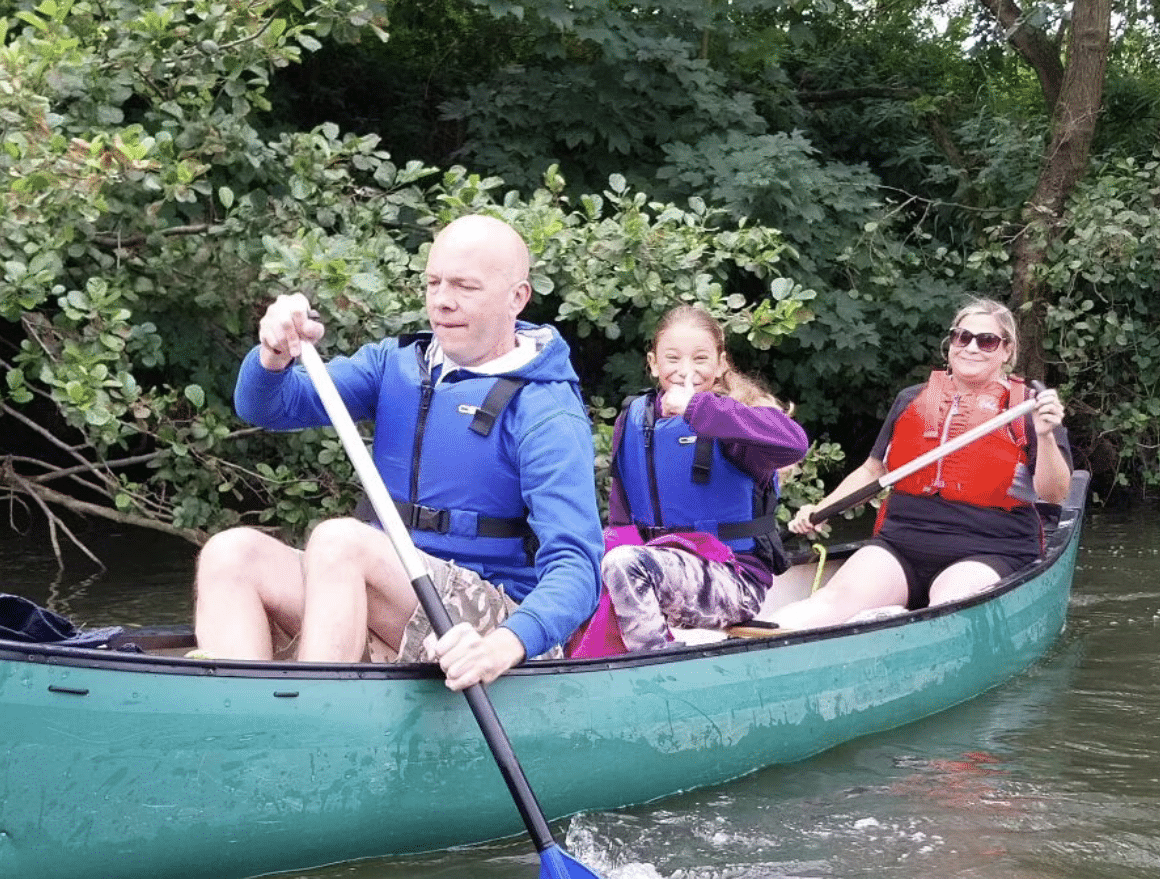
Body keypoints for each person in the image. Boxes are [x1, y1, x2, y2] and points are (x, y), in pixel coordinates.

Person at [193, 214, 604, 689]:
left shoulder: (546, 409)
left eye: (465, 286)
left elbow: (577, 569)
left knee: (340, 542)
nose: (442, 300)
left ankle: (314, 714)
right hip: (389, 591)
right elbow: (266, 406)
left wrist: (501, 647)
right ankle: (238, 711)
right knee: (231, 553)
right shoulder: (397, 364)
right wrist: (274, 352)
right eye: (433, 282)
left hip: (492, 624)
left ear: (517, 297)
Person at [773, 297, 1071, 633]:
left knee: (949, 608)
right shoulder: (911, 398)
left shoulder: (1028, 410)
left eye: (986, 341)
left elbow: (1055, 494)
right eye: (963, 337)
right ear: (951, 343)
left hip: (990, 548)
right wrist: (821, 509)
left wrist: (1045, 435)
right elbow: (873, 470)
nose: (971, 348)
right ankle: (754, 645)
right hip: (902, 543)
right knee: (831, 603)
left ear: (1006, 351)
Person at [574, 305, 809, 654]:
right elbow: (621, 520)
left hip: (734, 579)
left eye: (700, 359)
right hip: (655, 571)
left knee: (626, 563)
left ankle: (654, 664)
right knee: (579, 561)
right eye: (673, 358)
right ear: (654, 364)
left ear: (721, 363)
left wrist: (698, 408)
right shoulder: (634, 418)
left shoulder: (733, 419)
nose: (686, 371)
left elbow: (795, 443)